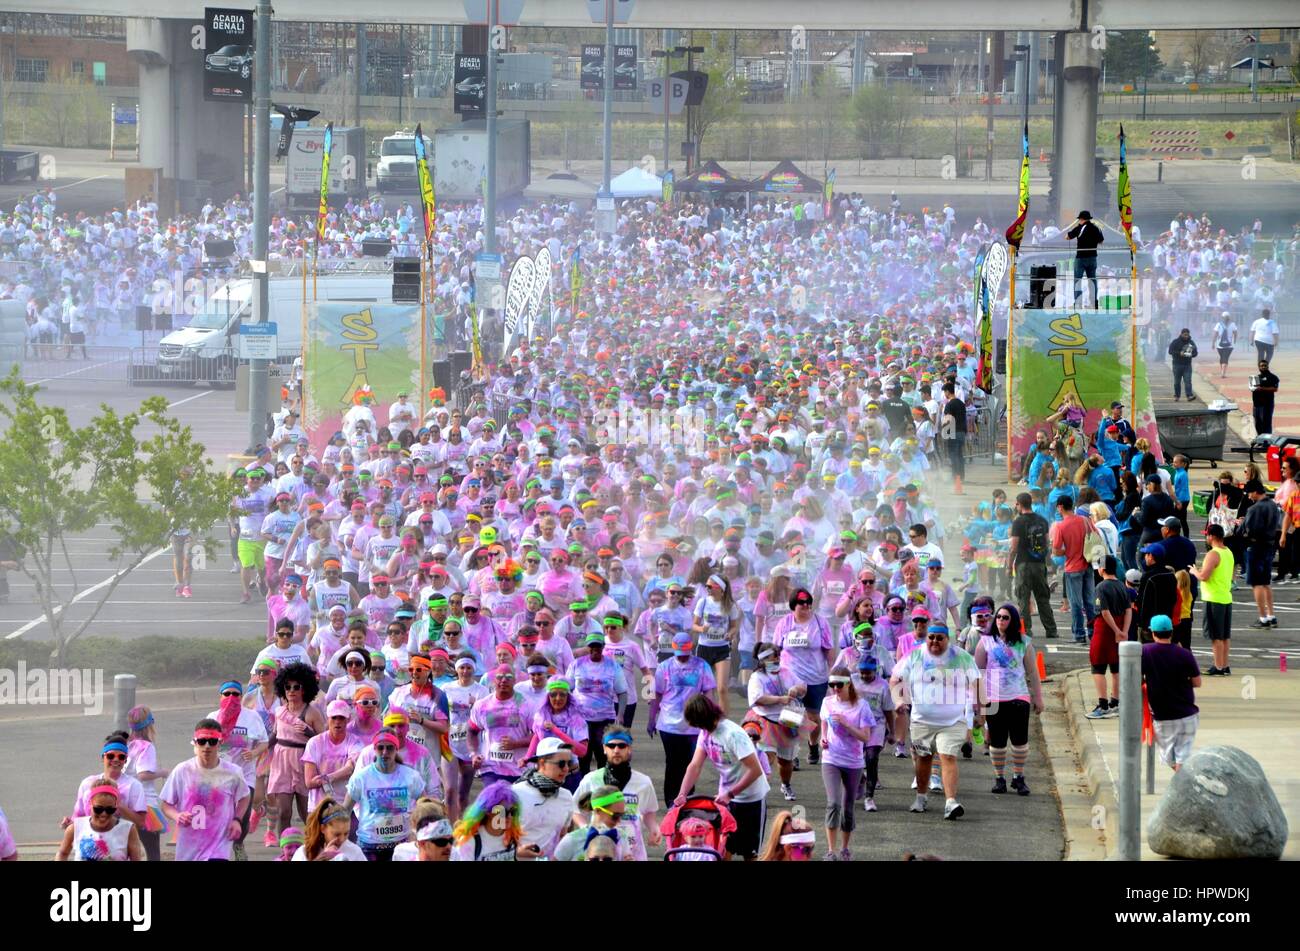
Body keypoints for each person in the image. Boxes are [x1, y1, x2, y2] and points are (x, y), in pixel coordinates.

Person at [890, 623, 981, 820]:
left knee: (948, 756)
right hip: (921, 721)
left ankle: (951, 802)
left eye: (940, 638)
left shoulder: (961, 657)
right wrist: (899, 700)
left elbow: (977, 683)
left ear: (947, 639)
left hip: (953, 720)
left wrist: (979, 711)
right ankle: (921, 797)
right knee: (924, 758)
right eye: (931, 637)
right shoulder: (915, 656)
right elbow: (895, 679)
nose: (935, 642)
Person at [675, 694, 770, 861]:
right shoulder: (704, 733)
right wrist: (682, 793)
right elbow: (695, 766)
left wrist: (730, 793)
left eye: (699, 724)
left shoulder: (733, 734)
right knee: (723, 848)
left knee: (750, 852)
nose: (699, 728)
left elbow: (755, 770)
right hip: (725, 801)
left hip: (751, 799)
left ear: (708, 716)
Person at [975, 603, 1044, 795]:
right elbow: (977, 675)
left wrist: (1038, 698)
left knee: (1020, 741)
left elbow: (1033, 672)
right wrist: (978, 706)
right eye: (998, 617)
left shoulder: (1024, 642)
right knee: (997, 743)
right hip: (993, 699)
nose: (1001, 621)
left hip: (1018, 696)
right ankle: (1000, 779)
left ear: (1012, 620)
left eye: (1005, 617)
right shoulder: (985, 642)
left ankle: (1018, 777)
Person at [160, 719, 250, 861]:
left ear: (220, 743)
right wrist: (177, 816)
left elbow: (244, 796)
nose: (207, 746)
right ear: (195, 742)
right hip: (189, 848)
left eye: (212, 741)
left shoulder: (233, 772)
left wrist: (237, 820)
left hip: (219, 848)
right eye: (202, 741)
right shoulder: (183, 770)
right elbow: (166, 804)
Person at [573, 724, 661, 861]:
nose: (616, 750)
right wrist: (586, 828)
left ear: (629, 749)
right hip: (599, 853)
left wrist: (654, 828)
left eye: (622, 746)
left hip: (633, 853)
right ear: (604, 748)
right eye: (611, 746)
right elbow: (575, 809)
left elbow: (649, 811)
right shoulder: (591, 780)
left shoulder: (643, 782)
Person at [649, 631, 718, 804]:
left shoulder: (702, 666)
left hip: (694, 725)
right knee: (673, 763)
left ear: (691, 648)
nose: (682, 658)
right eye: (679, 655)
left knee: (691, 764)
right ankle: (671, 800)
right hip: (669, 724)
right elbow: (657, 694)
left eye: (685, 655)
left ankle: (687, 797)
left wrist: (712, 718)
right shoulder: (664, 667)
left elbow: (709, 693)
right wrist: (651, 719)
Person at [770, 587, 835, 767]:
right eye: (801, 603)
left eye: (808, 602)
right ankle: (793, 753)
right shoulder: (784, 623)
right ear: (793, 605)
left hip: (816, 677)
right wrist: (772, 671)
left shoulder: (821, 623)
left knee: (814, 718)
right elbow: (776, 649)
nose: (805, 606)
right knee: (792, 716)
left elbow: (829, 650)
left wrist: (832, 673)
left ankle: (813, 745)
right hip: (790, 678)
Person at [817, 666, 876, 861]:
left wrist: (846, 724)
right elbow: (824, 722)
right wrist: (823, 738)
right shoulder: (827, 702)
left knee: (847, 806)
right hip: (831, 759)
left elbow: (866, 737)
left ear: (848, 683)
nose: (835, 688)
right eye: (831, 684)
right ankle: (831, 850)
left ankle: (845, 848)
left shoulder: (861, 706)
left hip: (853, 762)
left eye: (839, 684)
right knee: (833, 803)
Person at [342, 731, 426, 861]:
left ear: (396, 749)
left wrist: (416, 833)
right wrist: (341, 841)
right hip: (369, 847)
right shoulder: (361, 778)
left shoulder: (411, 776)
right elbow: (345, 812)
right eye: (380, 747)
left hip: (402, 845)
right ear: (374, 749)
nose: (385, 752)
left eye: (390, 748)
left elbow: (426, 808)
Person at [1141, 615, 1201, 772]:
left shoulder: (1145, 652)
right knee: (1183, 756)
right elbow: (1197, 682)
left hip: (1163, 715)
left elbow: (1136, 678)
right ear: (1171, 632)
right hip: (1188, 713)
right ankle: (1186, 781)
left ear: (1153, 633)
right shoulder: (1185, 654)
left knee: (1169, 758)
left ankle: (1185, 783)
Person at [513, 737, 577, 859]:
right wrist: (517, 852)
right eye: (561, 764)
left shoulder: (566, 796)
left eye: (569, 763)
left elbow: (563, 835)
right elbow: (494, 839)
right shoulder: (515, 793)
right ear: (542, 763)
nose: (566, 769)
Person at [1007, 492, 1057, 639]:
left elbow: (1014, 548)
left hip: (1023, 564)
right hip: (1039, 564)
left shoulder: (1018, 522)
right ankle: (1051, 630)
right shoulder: (1042, 520)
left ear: (1019, 504)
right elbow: (1047, 543)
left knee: (1023, 598)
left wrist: (1009, 566)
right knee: (1043, 598)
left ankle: (1025, 630)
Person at [56, 780, 144, 861]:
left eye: (110, 810)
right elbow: (62, 853)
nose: (104, 814)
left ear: (116, 806)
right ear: (90, 803)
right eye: (98, 809)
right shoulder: (75, 828)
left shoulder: (128, 829)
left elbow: (136, 858)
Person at [1088, 557, 1130, 719]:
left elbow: (1104, 612)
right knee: (1116, 667)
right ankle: (1115, 702)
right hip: (1120, 629)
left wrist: (1115, 630)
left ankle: (1103, 704)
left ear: (1102, 569)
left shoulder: (1101, 587)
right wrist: (1123, 631)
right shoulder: (1121, 585)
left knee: (1098, 667)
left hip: (1104, 631)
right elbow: (1128, 610)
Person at [1052, 495, 1096, 645]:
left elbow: (1056, 550)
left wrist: (1068, 550)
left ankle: (1079, 635)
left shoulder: (1060, 526)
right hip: (1088, 565)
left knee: (1076, 603)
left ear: (1060, 507)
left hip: (1072, 567)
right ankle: (1093, 633)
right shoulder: (1085, 520)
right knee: (1089, 602)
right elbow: (1096, 538)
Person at [1194, 524, 1236, 676]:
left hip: (1213, 598)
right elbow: (1232, 575)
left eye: (1207, 535)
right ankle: (1225, 665)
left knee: (1216, 636)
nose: (1206, 538)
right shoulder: (1228, 552)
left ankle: (1218, 666)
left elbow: (1204, 576)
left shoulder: (1213, 554)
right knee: (1225, 635)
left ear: (1211, 536)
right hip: (1225, 596)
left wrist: (1194, 572)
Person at [1240, 479, 1280, 628]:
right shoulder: (1273, 505)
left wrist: (1242, 528)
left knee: (1256, 583)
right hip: (1269, 546)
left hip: (1256, 547)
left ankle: (1262, 618)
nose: (1249, 496)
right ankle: (1271, 615)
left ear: (1256, 492)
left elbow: (1251, 530)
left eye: (1249, 493)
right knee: (1266, 582)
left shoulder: (1254, 509)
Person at [292, 797, 367, 861]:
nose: (342, 839)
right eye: (337, 834)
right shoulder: (305, 851)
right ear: (323, 828)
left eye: (346, 833)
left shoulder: (355, 851)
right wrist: (323, 858)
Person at [1065, 210, 1103, 305]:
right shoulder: (1096, 228)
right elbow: (1101, 241)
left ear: (1082, 219)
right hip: (1092, 258)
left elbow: (1067, 237)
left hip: (1081, 258)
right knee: (1092, 280)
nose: (1079, 221)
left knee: (1078, 280)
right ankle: (1094, 302)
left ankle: (1078, 302)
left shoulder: (1080, 228)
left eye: (1079, 220)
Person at [1167, 329, 1199, 402]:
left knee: (1188, 381)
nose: (1186, 336)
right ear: (1181, 334)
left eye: (1187, 335)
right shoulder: (1175, 342)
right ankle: (1177, 396)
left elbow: (1196, 353)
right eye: (1185, 335)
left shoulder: (1191, 342)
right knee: (1177, 382)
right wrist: (1179, 353)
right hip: (1177, 365)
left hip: (1187, 365)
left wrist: (1190, 354)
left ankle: (1189, 395)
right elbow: (1170, 351)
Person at [1250, 359, 1279, 438]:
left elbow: (1275, 389)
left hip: (1267, 404)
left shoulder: (1273, 377)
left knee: (1266, 423)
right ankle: (1260, 439)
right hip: (1256, 404)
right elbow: (1254, 388)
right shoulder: (1256, 377)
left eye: (1265, 365)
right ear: (1259, 367)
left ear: (1267, 366)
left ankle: (1266, 442)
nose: (1263, 367)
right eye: (1261, 366)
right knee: (1258, 423)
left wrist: (1262, 388)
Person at [1211, 311, 1237, 377]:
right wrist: (1234, 341)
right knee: (1225, 358)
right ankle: (1223, 373)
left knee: (1222, 358)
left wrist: (1213, 343)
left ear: (1222, 317)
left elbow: (1215, 334)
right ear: (1229, 317)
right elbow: (1235, 333)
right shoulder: (1232, 324)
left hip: (1219, 345)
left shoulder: (1218, 324)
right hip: (1229, 345)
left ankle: (1222, 372)